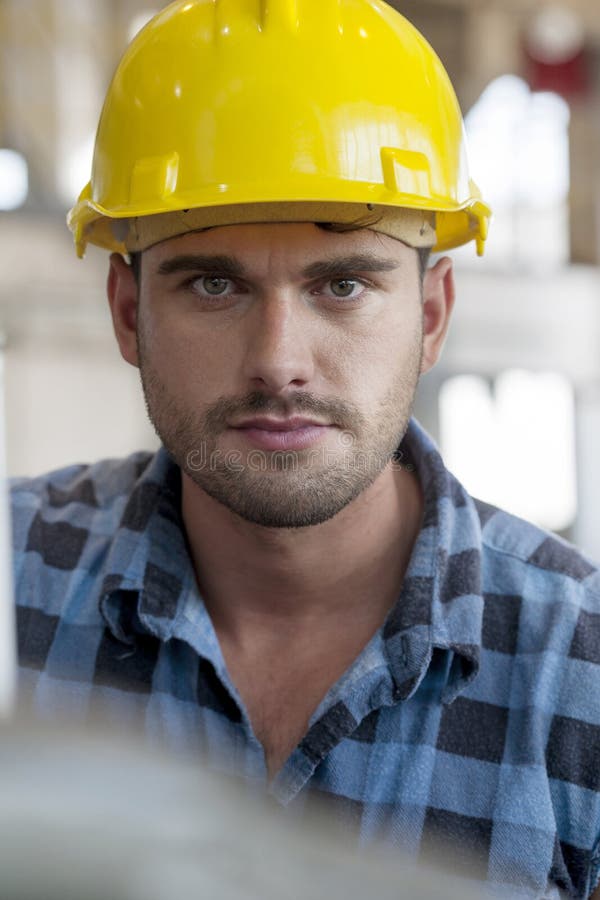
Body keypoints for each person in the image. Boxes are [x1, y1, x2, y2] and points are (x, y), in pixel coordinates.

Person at [11, 1, 600, 896]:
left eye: (343, 284)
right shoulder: (15, 583)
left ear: (431, 315)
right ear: (129, 315)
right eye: (214, 284)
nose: (278, 362)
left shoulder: (581, 668)